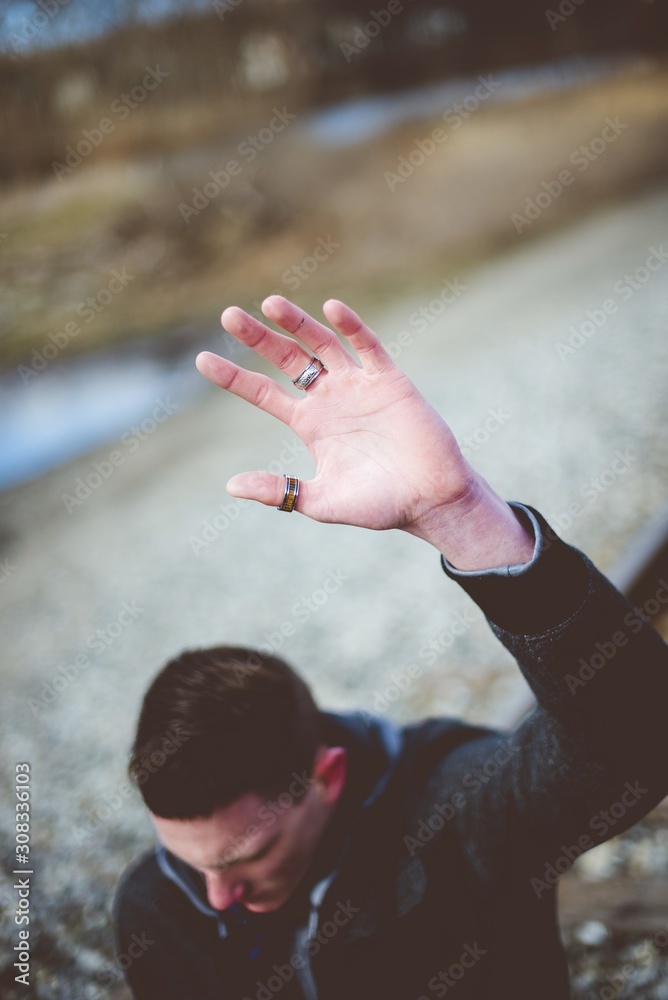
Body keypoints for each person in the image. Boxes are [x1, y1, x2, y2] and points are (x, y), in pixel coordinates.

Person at [113, 295, 668, 1000]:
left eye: (249, 857)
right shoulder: (154, 907)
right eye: (191, 861)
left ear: (327, 776)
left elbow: (637, 744)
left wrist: (460, 513)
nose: (216, 895)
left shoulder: (456, 811)